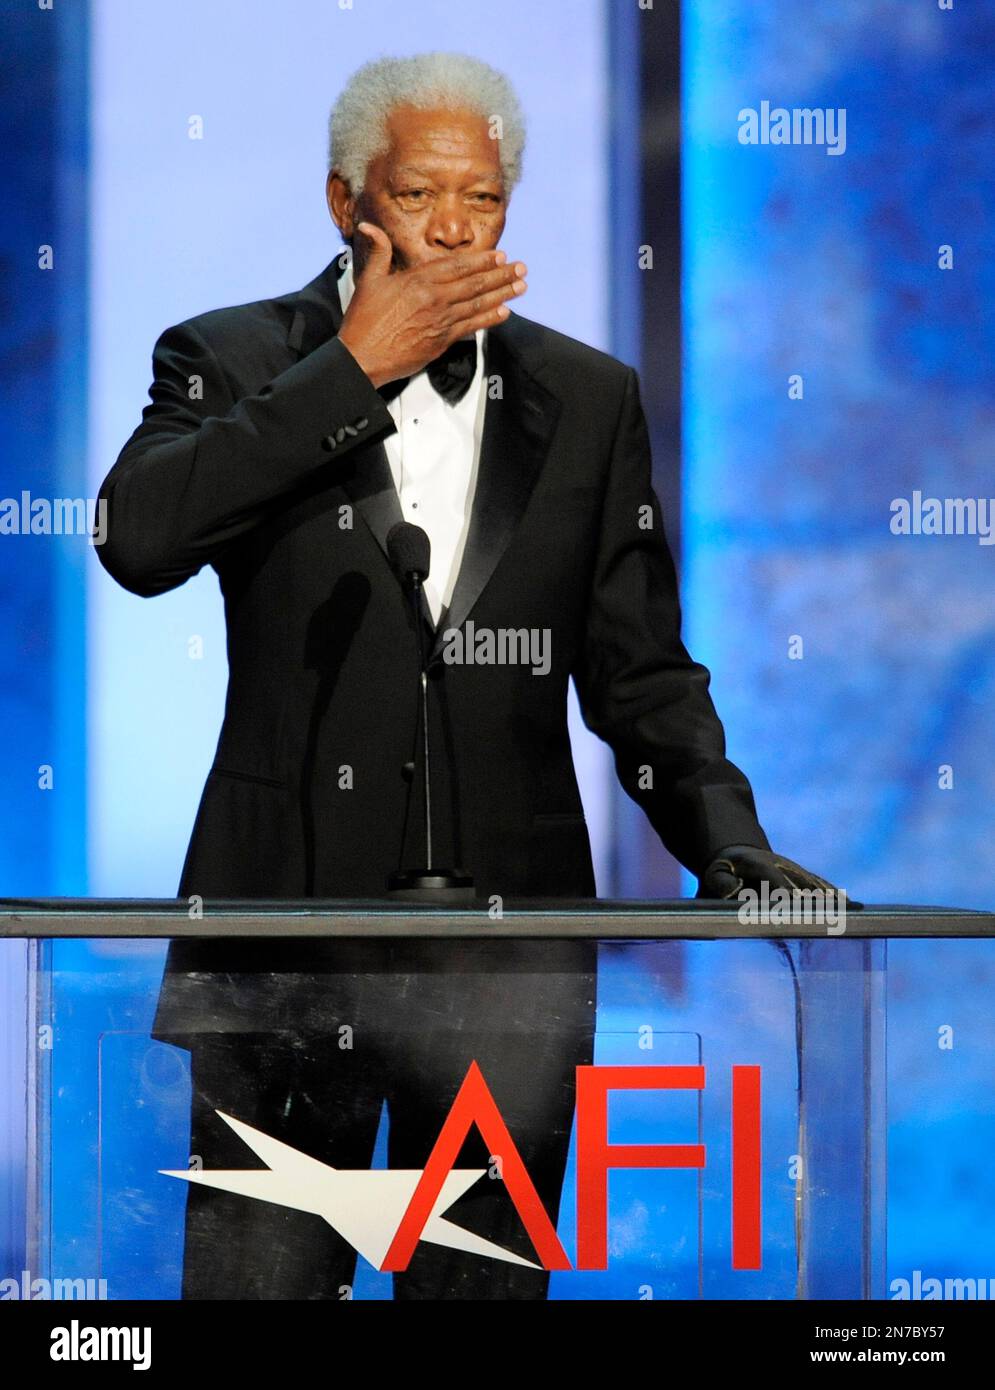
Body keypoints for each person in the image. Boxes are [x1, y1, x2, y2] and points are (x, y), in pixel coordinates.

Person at [96, 52, 834, 1300]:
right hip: (282, 946)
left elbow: (638, 668)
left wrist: (727, 844)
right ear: (347, 203)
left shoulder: (587, 398)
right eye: (421, 194)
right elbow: (138, 540)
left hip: (506, 972)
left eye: (482, 201)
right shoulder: (227, 359)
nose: (452, 227)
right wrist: (352, 369)